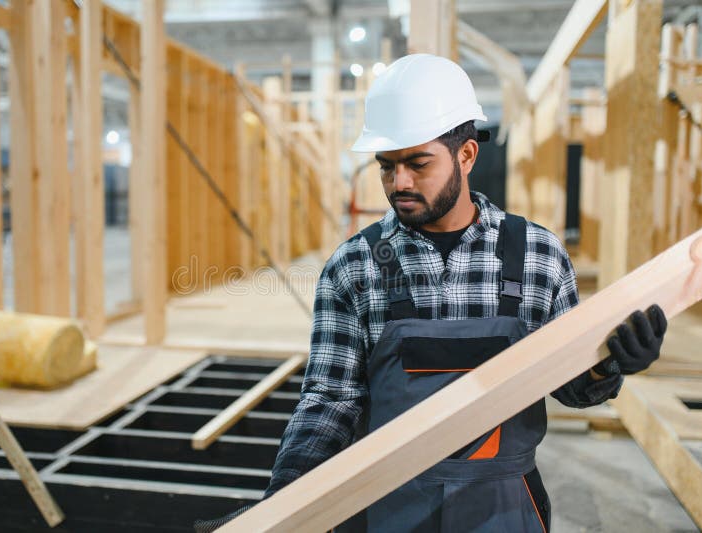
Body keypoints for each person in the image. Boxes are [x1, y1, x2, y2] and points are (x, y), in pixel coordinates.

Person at [195, 53, 667, 533]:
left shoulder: (536, 256)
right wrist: (282, 505)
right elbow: (330, 399)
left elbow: (571, 388)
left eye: (418, 163)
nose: (399, 183)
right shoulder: (354, 266)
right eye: (386, 166)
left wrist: (611, 362)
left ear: (466, 155)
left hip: (503, 508)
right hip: (383, 508)